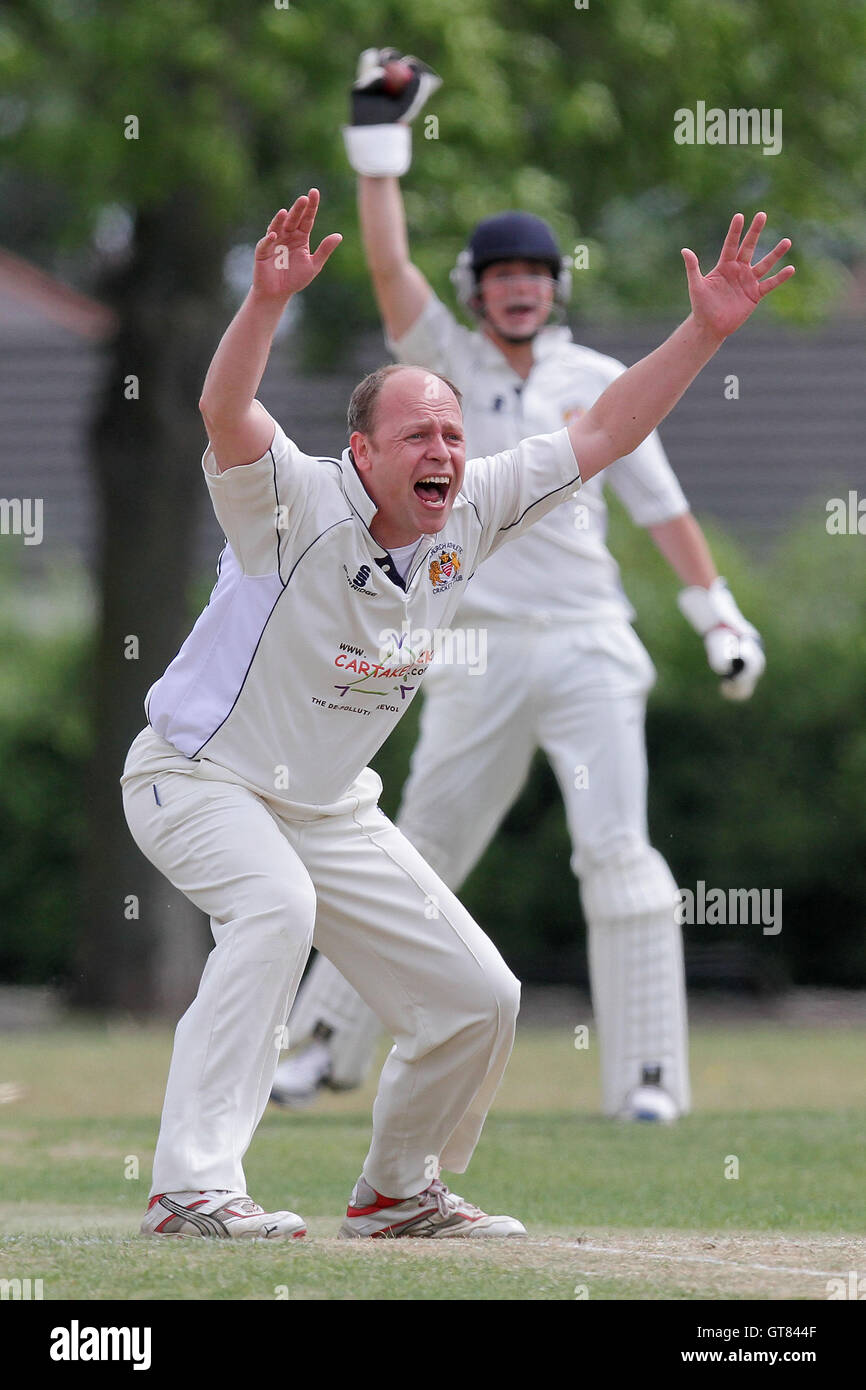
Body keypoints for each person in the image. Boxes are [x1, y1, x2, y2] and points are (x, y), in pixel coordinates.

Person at [121, 185, 792, 1240]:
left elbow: (607, 429)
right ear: (362, 453)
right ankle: (190, 1185)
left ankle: (395, 1189)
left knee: (480, 995)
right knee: (275, 910)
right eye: (416, 436)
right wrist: (261, 306)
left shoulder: (471, 504)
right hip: (194, 774)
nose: (442, 451)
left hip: (327, 807)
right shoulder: (290, 498)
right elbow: (222, 413)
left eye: (452, 432)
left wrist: (703, 331)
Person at [272, 51, 769, 1123]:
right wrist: (376, 147)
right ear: (475, 291)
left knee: (616, 852)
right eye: (500, 274)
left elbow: (659, 507)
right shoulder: (439, 362)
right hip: (470, 642)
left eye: (533, 274)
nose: (517, 286)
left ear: (553, 287)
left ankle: (645, 1077)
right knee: (415, 848)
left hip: (589, 638)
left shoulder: (594, 383)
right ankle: (321, 1043)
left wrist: (713, 609)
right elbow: (389, 264)